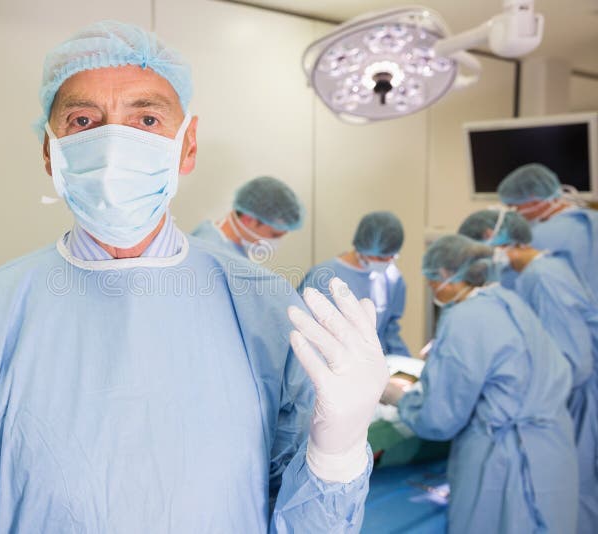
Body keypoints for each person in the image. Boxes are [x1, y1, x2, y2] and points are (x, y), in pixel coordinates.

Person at [0, 21, 390, 533]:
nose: (113, 144)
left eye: (146, 120)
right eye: (83, 122)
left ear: (187, 146)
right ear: (50, 153)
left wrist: (336, 452)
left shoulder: (266, 308)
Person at [381, 234, 578, 534]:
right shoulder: (508, 301)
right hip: (552, 449)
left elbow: (440, 419)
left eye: (432, 279)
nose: (432, 286)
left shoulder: (464, 319)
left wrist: (398, 396)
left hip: (504, 461)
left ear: (447, 274)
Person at [459, 208, 598, 534]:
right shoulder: (544, 269)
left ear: (496, 241)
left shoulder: (543, 276)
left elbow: (574, 364)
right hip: (565, 404)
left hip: (573, 404)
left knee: (577, 497)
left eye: (479, 253)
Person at [300, 211, 409, 356]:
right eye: (378, 257)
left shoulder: (392, 278)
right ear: (362, 246)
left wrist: (404, 364)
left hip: (374, 366)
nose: (384, 262)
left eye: (389, 257)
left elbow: (390, 331)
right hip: (330, 365)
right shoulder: (322, 276)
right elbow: (305, 331)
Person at [498, 163, 598, 295]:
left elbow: (512, 288)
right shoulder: (592, 217)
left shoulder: (537, 238)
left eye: (515, 207)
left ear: (534, 200)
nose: (517, 213)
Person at [191, 176, 305, 262]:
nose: (275, 243)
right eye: (274, 235)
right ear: (248, 219)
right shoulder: (209, 250)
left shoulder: (234, 251)